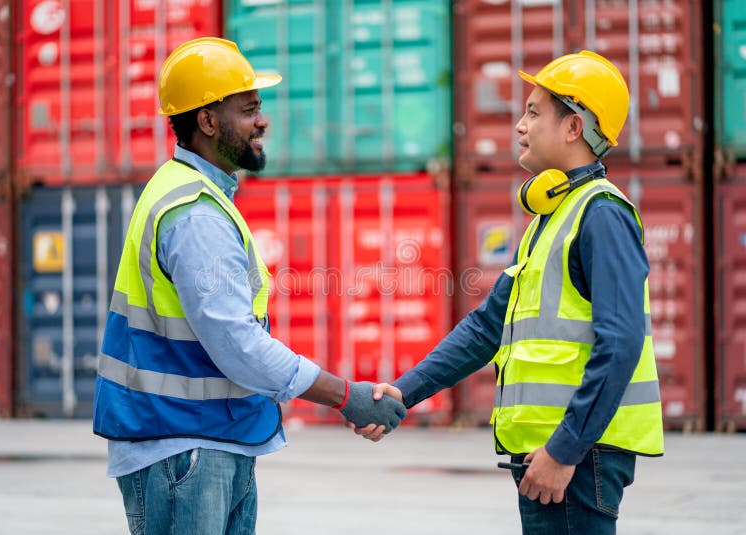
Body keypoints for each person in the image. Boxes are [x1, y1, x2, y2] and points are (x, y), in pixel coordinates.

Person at [92, 37, 406, 535]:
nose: (263, 121)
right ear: (209, 122)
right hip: (185, 448)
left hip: (202, 441)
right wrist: (345, 395)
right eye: (249, 109)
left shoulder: (191, 194)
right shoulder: (195, 214)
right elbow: (236, 344)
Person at [356, 50, 664, 534]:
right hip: (552, 455)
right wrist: (403, 392)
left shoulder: (601, 215)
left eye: (534, 112)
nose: (520, 126)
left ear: (573, 127)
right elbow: (485, 328)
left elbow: (621, 343)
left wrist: (564, 451)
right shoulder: (553, 217)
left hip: (577, 460)